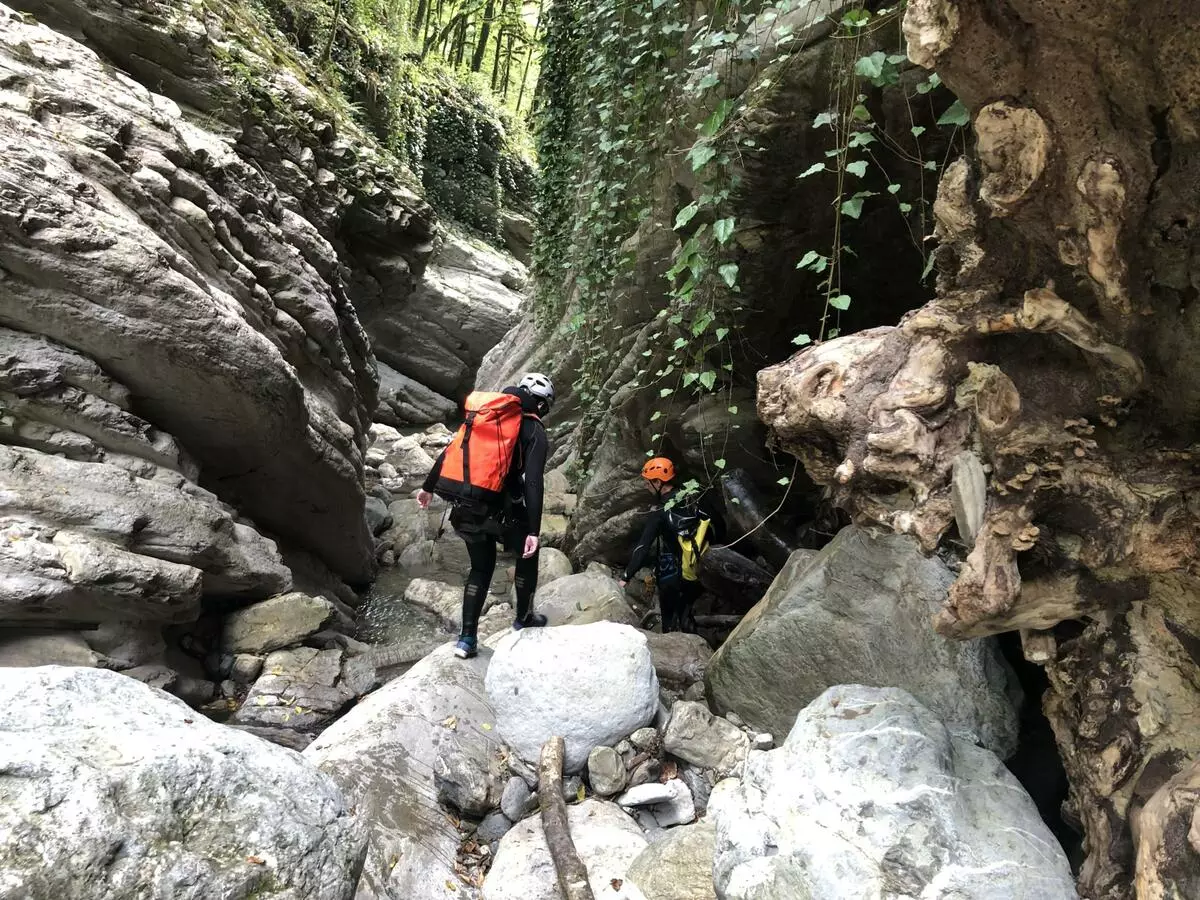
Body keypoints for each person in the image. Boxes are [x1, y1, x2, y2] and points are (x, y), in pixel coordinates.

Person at [417, 373, 554, 659]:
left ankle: (466, 640)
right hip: (506, 512)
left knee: (481, 569)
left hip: (468, 507)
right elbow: (533, 482)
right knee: (527, 556)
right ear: (539, 403)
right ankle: (523, 619)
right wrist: (534, 531)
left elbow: (451, 451)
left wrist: (428, 488)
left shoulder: (484, 417)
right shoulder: (533, 429)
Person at [618, 457, 724, 633]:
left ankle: (672, 635)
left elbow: (642, 547)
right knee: (686, 605)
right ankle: (688, 625)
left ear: (658, 482)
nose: (645, 486)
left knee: (670, 613)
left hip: (674, 572)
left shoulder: (660, 512)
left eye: (647, 483)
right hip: (700, 564)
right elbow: (719, 524)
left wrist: (626, 577)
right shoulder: (693, 497)